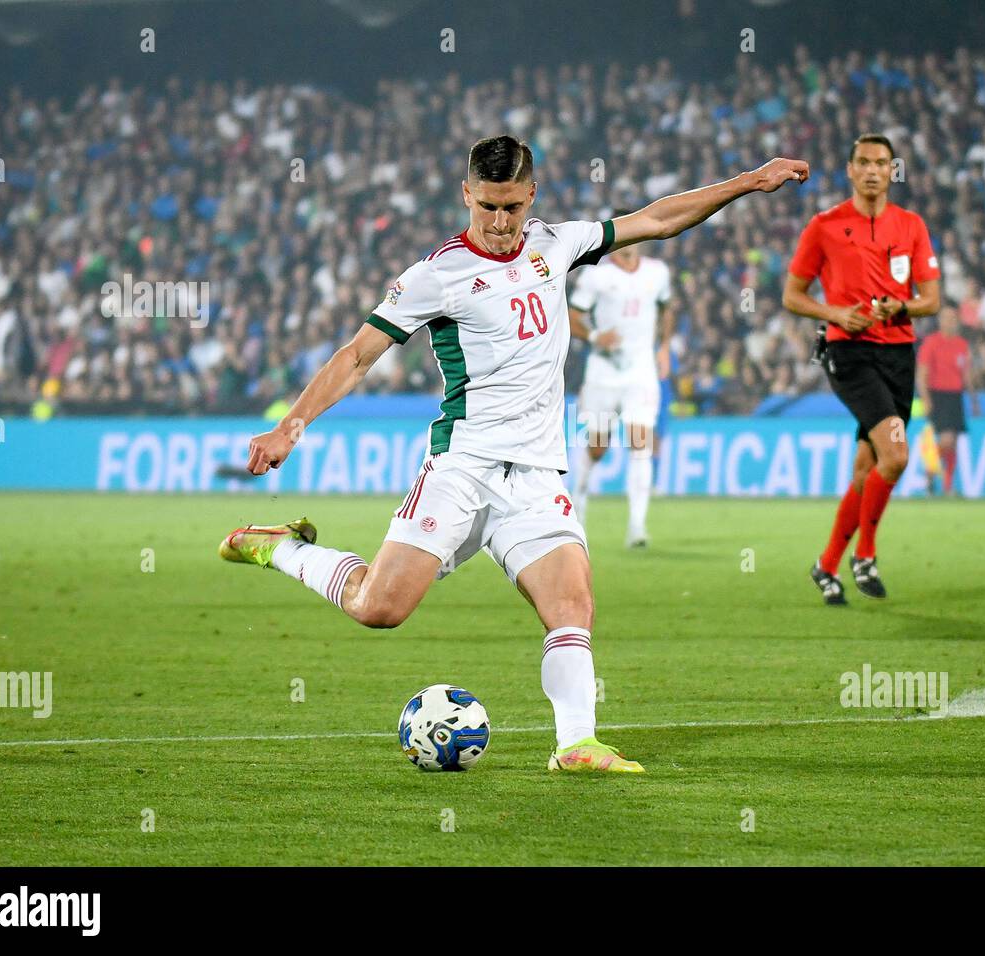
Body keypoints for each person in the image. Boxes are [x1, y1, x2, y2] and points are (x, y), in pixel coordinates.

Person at [219, 135, 808, 771]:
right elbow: (358, 355)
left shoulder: (558, 242)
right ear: (467, 194)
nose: (501, 224)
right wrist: (290, 426)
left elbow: (656, 220)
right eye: (488, 208)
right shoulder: (435, 275)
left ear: (532, 194)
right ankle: (278, 545)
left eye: (513, 208)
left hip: (534, 476)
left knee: (572, 605)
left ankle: (576, 744)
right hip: (462, 468)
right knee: (379, 608)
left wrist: (748, 181)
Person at [782, 133, 940, 605]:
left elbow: (931, 301)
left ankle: (826, 564)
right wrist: (835, 314)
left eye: (882, 163)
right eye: (864, 162)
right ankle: (865, 555)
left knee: (866, 466)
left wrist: (900, 308)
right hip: (848, 351)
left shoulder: (911, 226)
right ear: (850, 170)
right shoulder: (825, 226)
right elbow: (792, 295)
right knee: (896, 457)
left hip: (898, 352)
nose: (873, 170)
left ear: (893, 171)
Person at [567, 222, 673, 547]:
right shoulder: (596, 274)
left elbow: (666, 308)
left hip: (640, 371)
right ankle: (577, 505)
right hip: (602, 372)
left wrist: (665, 346)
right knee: (597, 448)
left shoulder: (657, 272)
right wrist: (597, 336)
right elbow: (572, 316)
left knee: (640, 442)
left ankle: (637, 527)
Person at [916, 306, 979, 496]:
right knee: (946, 440)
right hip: (938, 395)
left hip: (955, 396)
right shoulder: (931, 343)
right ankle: (929, 473)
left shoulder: (962, 345)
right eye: (947, 318)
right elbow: (922, 374)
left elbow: (967, 375)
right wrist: (926, 399)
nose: (951, 322)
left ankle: (947, 487)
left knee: (954, 443)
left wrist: (974, 400)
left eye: (953, 318)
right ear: (941, 321)